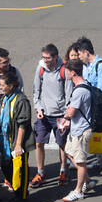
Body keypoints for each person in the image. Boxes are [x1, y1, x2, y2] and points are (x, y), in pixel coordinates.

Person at [74, 37, 102, 176]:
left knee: (101, 136)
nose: (79, 57)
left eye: (79, 54)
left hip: (101, 108)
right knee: (94, 135)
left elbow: (101, 91)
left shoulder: (101, 66)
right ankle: (99, 160)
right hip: (91, 107)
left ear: (86, 52)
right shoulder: (88, 67)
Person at [58, 59, 97, 201]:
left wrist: (64, 117)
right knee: (69, 152)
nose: (65, 73)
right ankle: (88, 181)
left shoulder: (80, 90)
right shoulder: (84, 85)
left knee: (80, 162)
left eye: (67, 70)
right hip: (76, 129)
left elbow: (71, 112)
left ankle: (78, 191)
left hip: (81, 130)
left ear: (73, 72)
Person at [30, 43, 67, 189]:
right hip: (44, 115)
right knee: (39, 143)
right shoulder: (40, 69)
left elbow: (68, 93)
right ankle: (40, 172)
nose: (45, 60)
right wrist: (38, 108)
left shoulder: (64, 70)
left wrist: (66, 115)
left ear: (55, 57)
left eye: (48, 58)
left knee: (62, 144)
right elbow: (36, 91)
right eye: (43, 57)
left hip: (60, 115)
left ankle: (63, 170)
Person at [0, 68, 33, 202]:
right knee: (6, 166)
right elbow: (5, 116)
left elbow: (22, 124)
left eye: (2, 85)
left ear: (11, 86)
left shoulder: (21, 100)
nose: (0, 88)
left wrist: (18, 145)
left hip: (18, 142)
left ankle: (22, 196)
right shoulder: (6, 98)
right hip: (7, 141)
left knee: (20, 170)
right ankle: (17, 191)